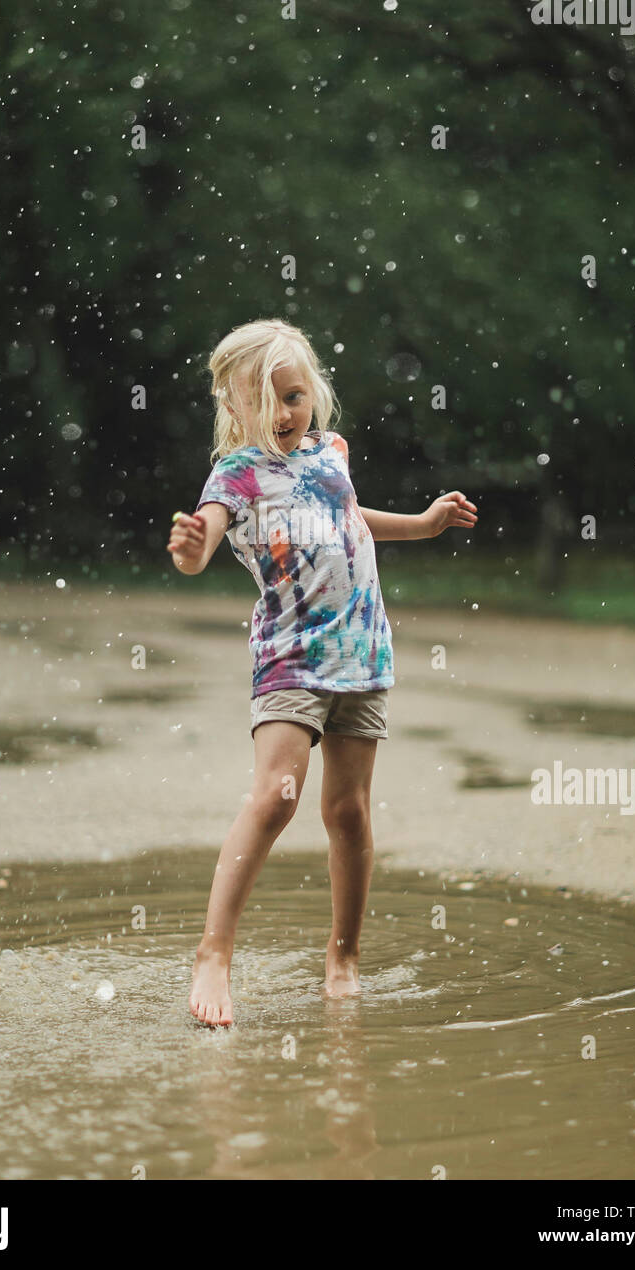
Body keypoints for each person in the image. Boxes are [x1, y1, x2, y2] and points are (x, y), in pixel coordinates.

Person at [167, 319, 477, 1026]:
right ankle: (214, 952)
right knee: (276, 798)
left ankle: (344, 956)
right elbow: (203, 541)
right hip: (291, 657)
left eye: (295, 396)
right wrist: (188, 550)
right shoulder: (235, 475)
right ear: (236, 406)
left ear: (314, 397)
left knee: (348, 811)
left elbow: (348, 518)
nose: (283, 414)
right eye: (266, 400)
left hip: (362, 654)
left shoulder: (330, 453)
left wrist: (424, 525)